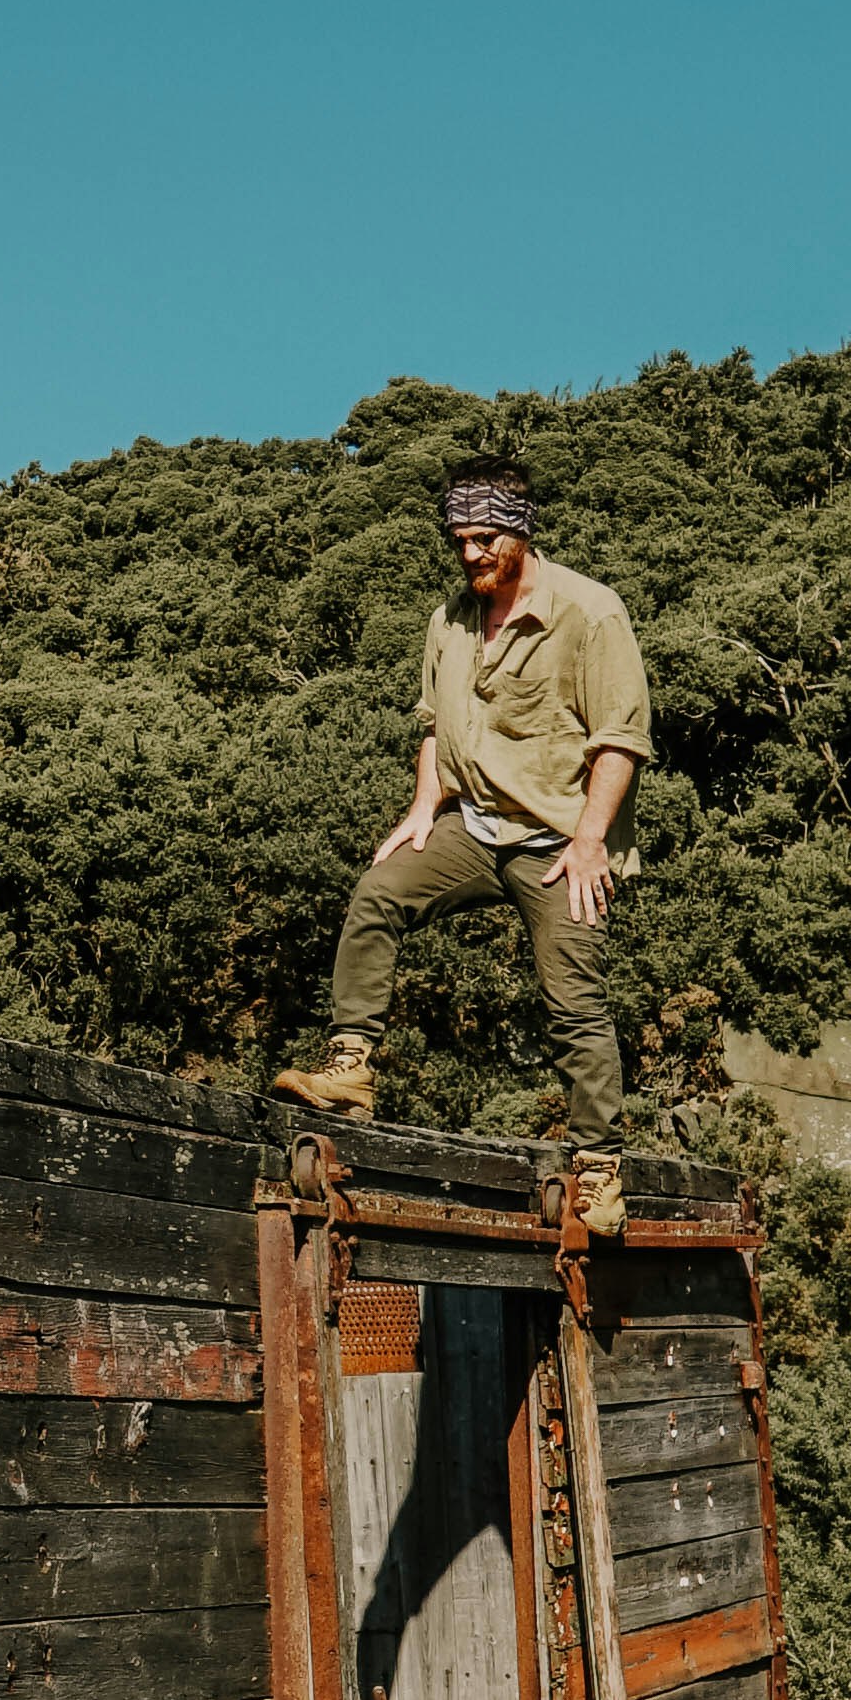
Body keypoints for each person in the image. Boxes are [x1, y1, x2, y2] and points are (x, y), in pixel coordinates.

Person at [275, 472, 653, 1210]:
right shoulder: (449, 620)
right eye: (460, 541)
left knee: (572, 1000)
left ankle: (601, 1170)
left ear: (522, 534)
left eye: (486, 540)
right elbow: (433, 723)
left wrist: (590, 842)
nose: (472, 554)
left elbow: (621, 742)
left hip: (559, 843)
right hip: (476, 826)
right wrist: (424, 806)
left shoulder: (591, 612)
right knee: (379, 891)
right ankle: (350, 1069)